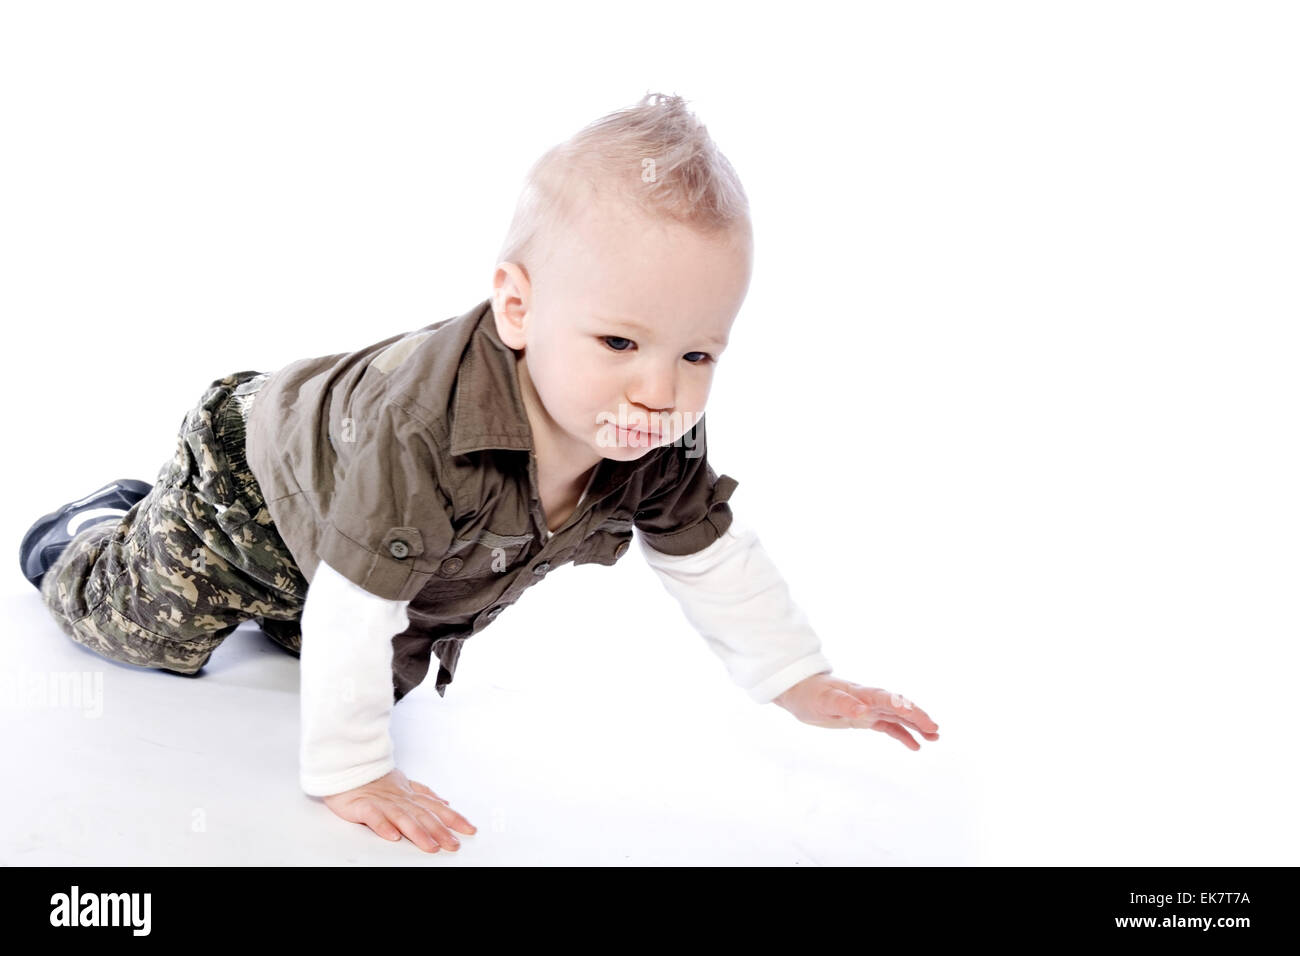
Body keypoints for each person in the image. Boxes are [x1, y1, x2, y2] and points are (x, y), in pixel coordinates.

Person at [20, 91, 939, 855]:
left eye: (699, 354)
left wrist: (799, 679)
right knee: (150, 632)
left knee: (346, 659)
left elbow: (714, 557)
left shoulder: (651, 432)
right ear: (517, 306)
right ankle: (97, 529)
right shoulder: (426, 431)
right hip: (252, 486)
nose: (660, 389)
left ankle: (274, 591)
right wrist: (355, 772)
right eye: (619, 341)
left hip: (362, 540)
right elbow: (354, 601)